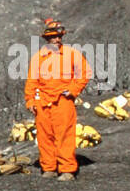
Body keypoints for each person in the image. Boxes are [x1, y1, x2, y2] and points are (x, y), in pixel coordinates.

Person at [25, 19, 92, 181]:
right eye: (54, 37)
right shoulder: (38, 58)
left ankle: (67, 170)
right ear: (47, 39)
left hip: (63, 101)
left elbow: (84, 74)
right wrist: (30, 101)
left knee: (64, 135)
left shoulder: (71, 54)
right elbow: (31, 81)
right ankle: (49, 168)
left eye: (59, 36)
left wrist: (73, 90)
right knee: (44, 136)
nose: (57, 40)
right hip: (43, 101)